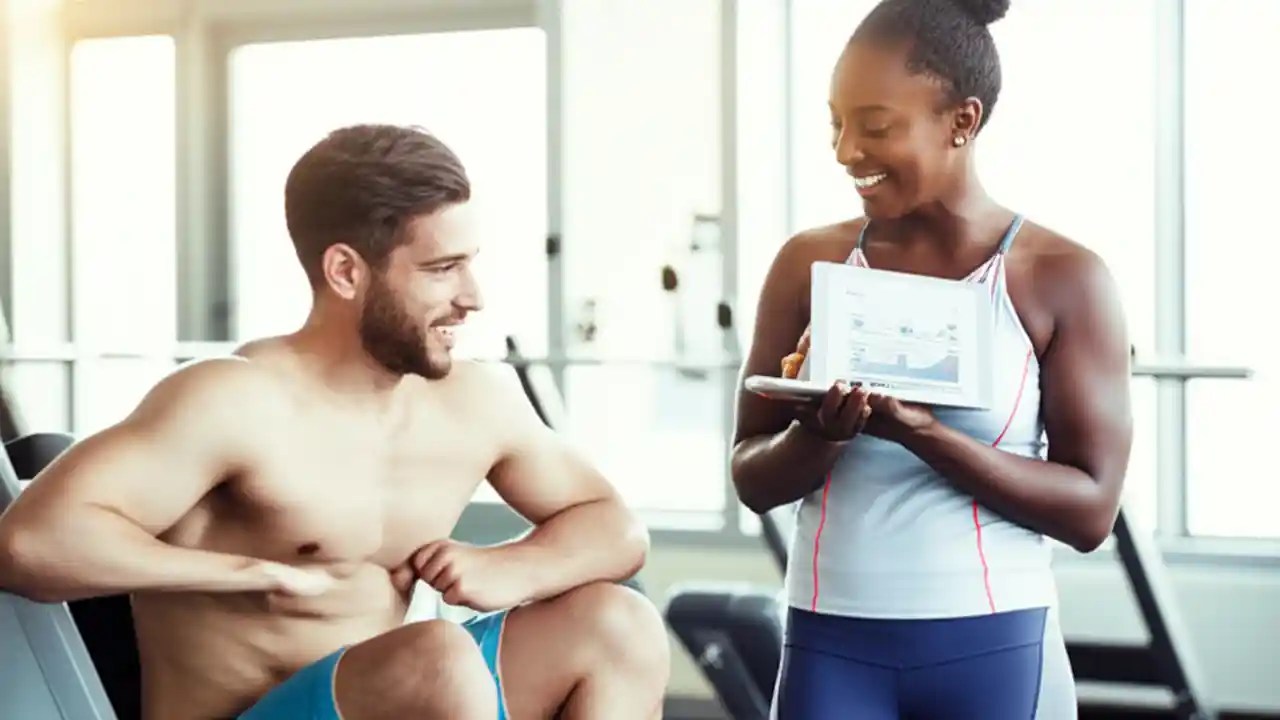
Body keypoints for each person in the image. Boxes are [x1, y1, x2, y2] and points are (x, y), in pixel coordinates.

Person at [0, 124, 670, 720]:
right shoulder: (233, 401)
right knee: (436, 657)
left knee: (620, 625)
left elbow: (614, 527)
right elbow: (28, 546)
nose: (473, 298)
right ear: (346, 271)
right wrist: (250, 573)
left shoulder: (471, 400)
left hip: (403, 697)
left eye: (470, 265)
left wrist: (517, 567)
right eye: (442, 270)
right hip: (253, 708)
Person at [731, 0, 1132, 718]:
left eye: (877, 126)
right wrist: (819, 434)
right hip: (830, 643)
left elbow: (1091, 511)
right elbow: (751, 477)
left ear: (963, 122)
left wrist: (921, 432)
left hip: (995, 644)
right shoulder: (808, 264)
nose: (846, 149)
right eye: (836, 122)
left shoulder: (1060, 276)